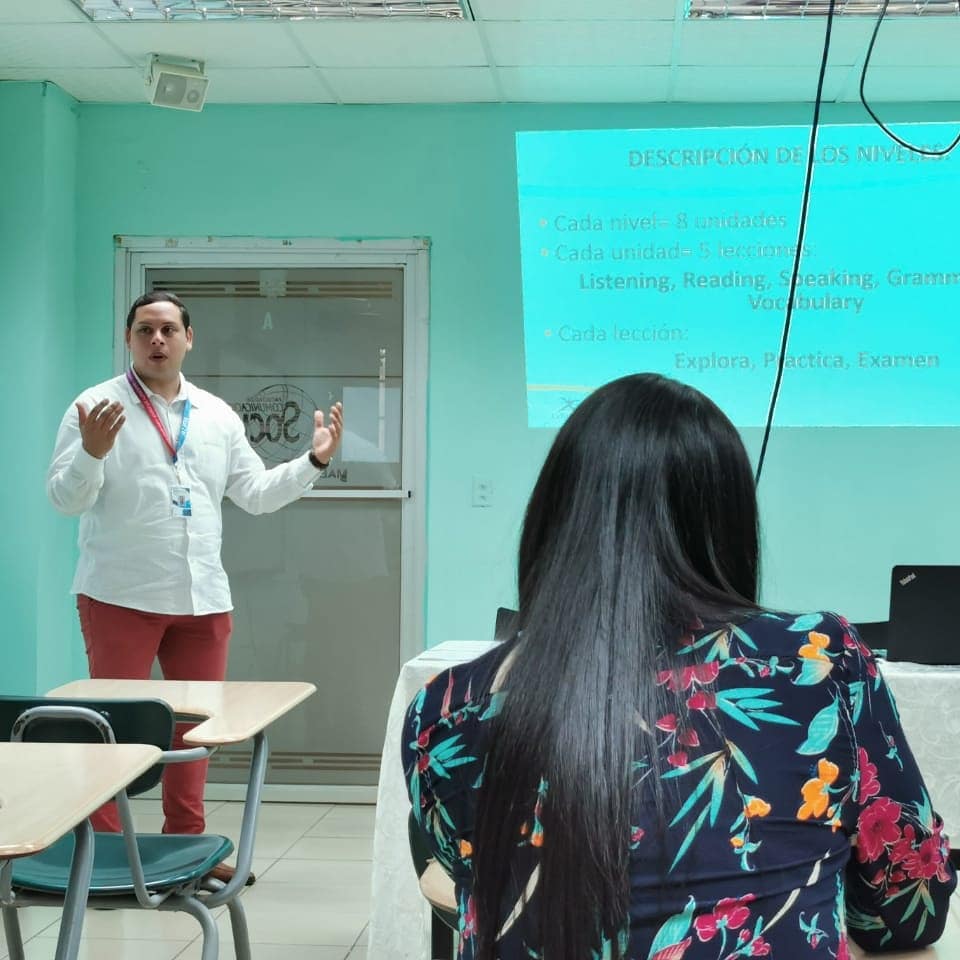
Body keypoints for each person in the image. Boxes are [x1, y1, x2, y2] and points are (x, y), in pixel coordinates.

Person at [402, 373, 956, 960]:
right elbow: (903, 913)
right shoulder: (819, 662)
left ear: (555, 521)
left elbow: (470, 881)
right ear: (729, 525)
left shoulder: (446, 712)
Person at [47, 290, 342, 883]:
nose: (157, 340)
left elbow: (254, 494)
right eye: (144, 331)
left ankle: (187, 848)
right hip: (119, 595)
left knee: (194, 730)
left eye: (168, 330)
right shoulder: (93, 408)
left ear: (189, 338)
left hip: (202, 597)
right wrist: (91, 454)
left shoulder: (216, 414)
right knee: (114, 725)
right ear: (128, 340)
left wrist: (311, 463)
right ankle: (104, 851)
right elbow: (65, 499)